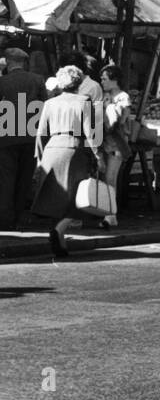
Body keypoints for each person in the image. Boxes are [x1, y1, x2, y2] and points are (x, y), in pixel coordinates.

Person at [31, 65, 97, 256]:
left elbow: (41, 133)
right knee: (78, 198)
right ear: (80, 81)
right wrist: (97, 156)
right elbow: (91, 134)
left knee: (56, 197)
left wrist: (40, 159)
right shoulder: (85, 101)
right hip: (73, 150)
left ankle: (60, 243)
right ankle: (59, 231)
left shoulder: (50, 103)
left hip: (52, 149)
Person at [0, 47, 46, 231]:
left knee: (6, 179)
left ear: (8, 62)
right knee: (24, 179)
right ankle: (19, 217)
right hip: (30, 137)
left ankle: (5, 219)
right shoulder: (37, 80)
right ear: (23, 62)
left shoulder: (2, 82)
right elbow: (44, 106)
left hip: (6, 137)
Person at [97, 63, 132, 228]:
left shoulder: (123, 97)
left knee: (111, 178)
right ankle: (106, 212)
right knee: (104, 178)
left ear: (114, 80)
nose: (102, 82)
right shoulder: (103, 95)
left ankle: (111, 215)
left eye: (105, 79)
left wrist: (109, 107)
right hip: (103, 141)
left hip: (116, 142)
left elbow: (121, 121)